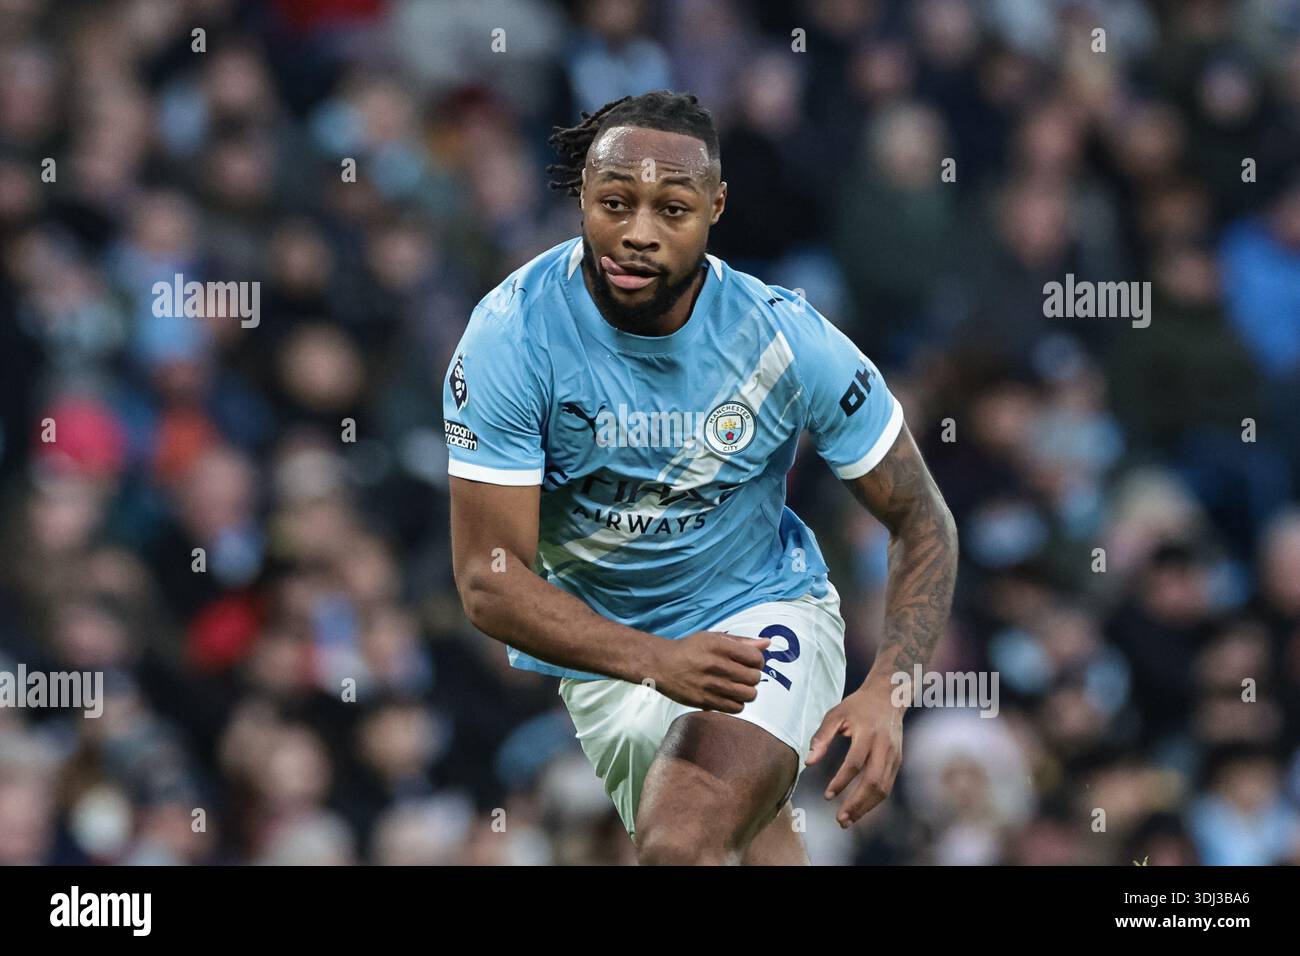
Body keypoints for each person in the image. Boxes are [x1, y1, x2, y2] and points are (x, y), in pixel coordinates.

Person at [444, 91, 958, 864]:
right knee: (749, 847)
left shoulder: (784, 338)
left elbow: (923, 520)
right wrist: (653, 659)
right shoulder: (512, 337)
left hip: (758, 613)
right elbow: (488, 580)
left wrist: (888, 690)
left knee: (678, 845)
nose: (637, 234)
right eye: (615, 202)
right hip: (608, 654)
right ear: (582, 195)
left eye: (672, 210)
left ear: (715, 207)